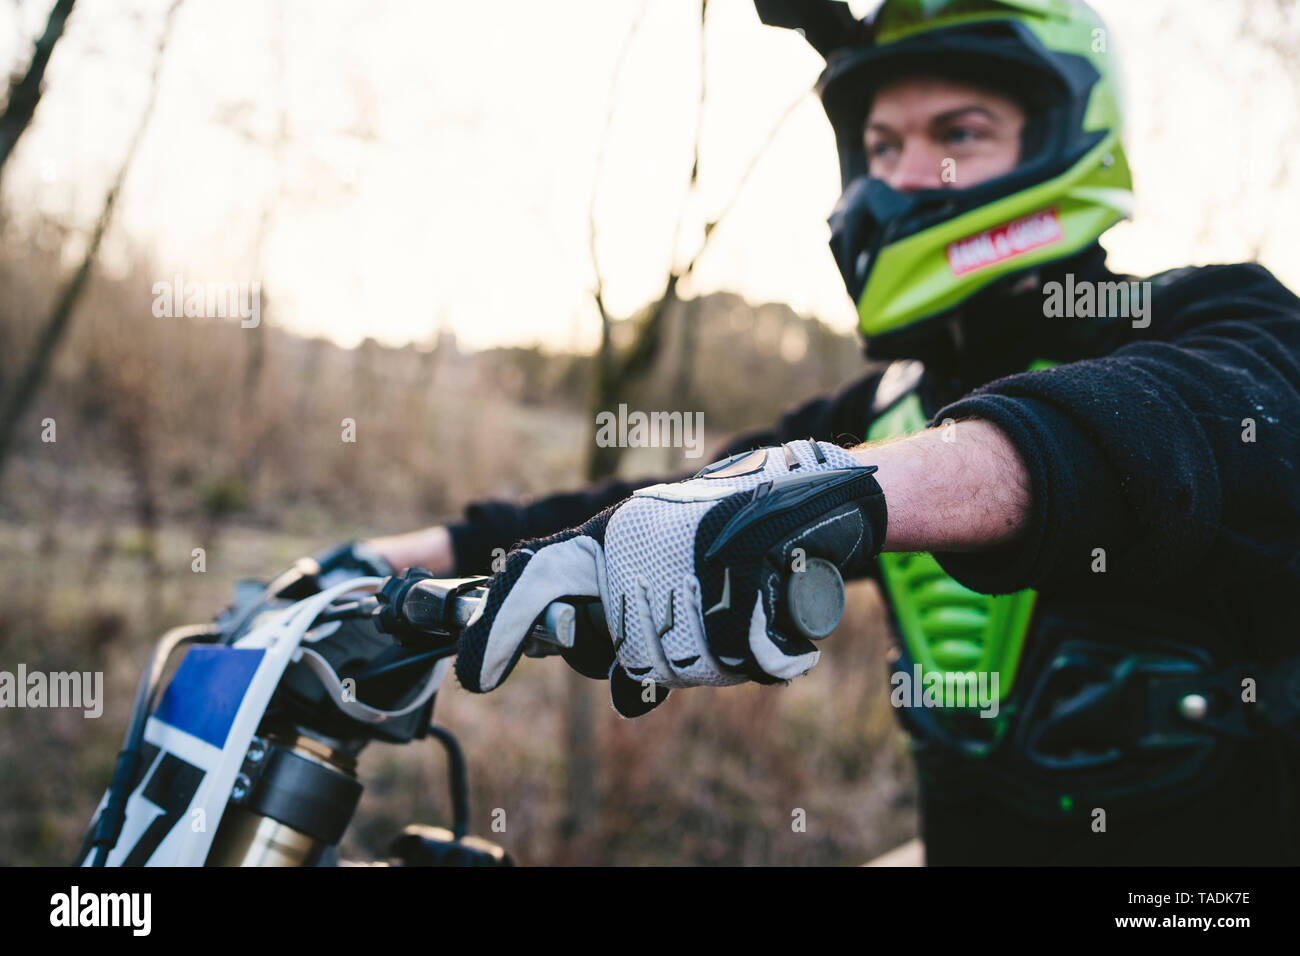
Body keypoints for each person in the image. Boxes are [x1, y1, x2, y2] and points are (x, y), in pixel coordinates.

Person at [365, 0, 1300, 865]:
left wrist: (841, 493)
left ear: (1064, 140)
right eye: (881, 144)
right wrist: (395, 556)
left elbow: (1183, 421)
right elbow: (653, 505)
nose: (901, 176)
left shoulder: (1214, 319)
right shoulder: (885, 409)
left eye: (958, 135)